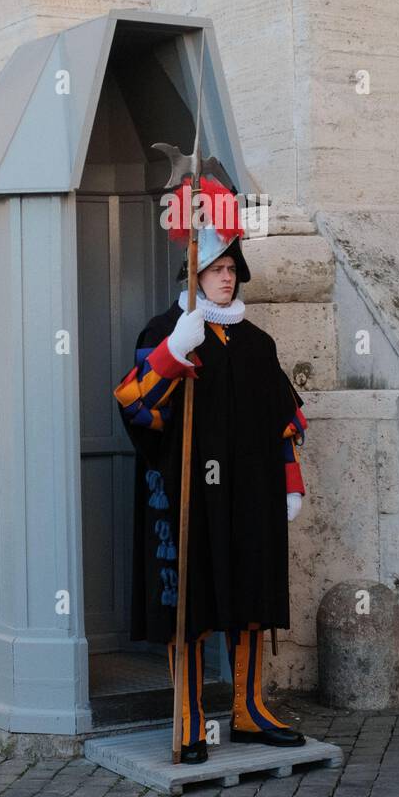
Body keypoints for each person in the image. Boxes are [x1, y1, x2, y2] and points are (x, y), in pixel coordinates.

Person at [113, 178, 308, 763]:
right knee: (192, 605)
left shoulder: (258, 343)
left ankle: (249, 710)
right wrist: (175, 350)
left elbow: (282, 421)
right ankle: (191, 720)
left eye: (232, 269)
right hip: (187, 495)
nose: (226, 277)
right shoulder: (164, 331)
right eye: (216, 268)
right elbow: (133, 403)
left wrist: (289, 482)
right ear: (194, 273)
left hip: (248, 497)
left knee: (249, 594)